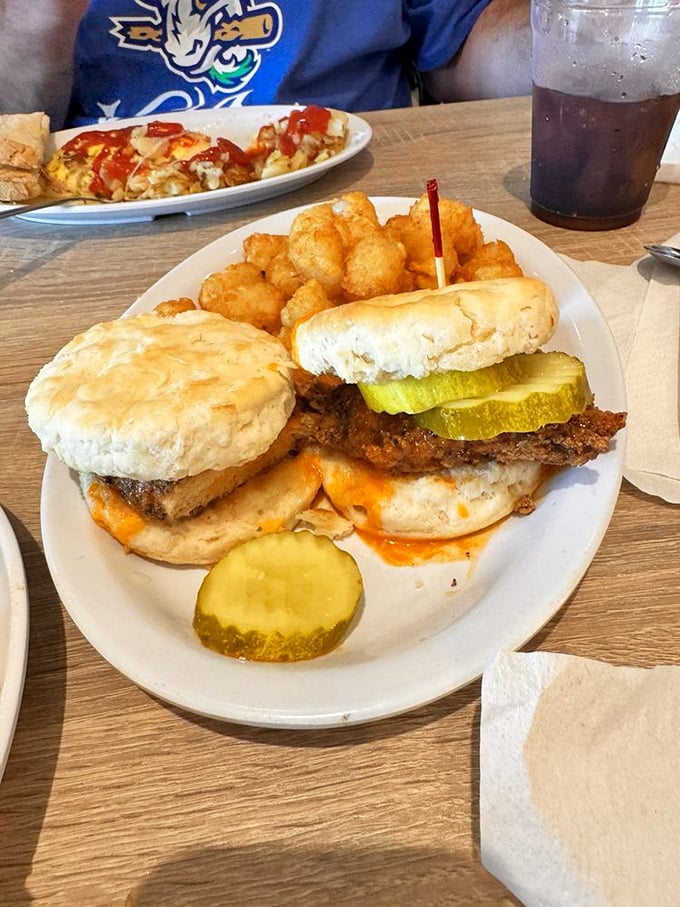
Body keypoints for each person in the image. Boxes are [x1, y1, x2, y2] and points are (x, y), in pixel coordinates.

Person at [0, 0, 531, 130]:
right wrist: (35, 27)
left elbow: (461, 51)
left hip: (354, 196)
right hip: (91, 227)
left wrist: (589, 30)